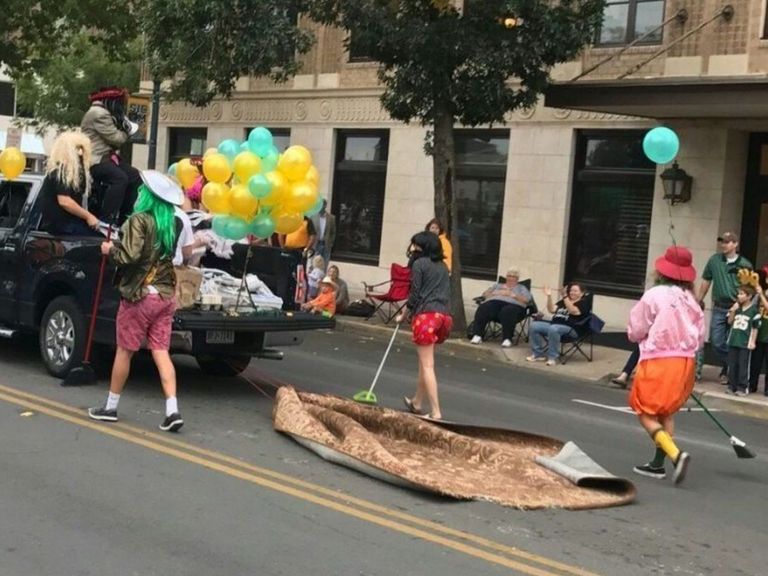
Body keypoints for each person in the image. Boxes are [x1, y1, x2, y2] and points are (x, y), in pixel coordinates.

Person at [88, 170, 185, 432]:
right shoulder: (173, 224)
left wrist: (110, 249)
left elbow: (128, 256)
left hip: (139, 296)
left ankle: (110, 406)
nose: (138, 193)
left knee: (125, 351)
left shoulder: (139, 221)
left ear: (147, 197)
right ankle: (172, 410)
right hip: (165, 296)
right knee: (161, 352)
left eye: (142, 191)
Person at [627, 246, 705, 484]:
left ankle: (675, 454)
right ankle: (657, 464)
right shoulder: (692, 300)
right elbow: (700, 335)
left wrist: (637, 335)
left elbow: (637, 328)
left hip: (659, 358)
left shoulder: (654, 294)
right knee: (666, 412)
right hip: (685, 361)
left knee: (644, 411)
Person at [397, 231, 452, 420]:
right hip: (443, 317)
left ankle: (436, 411)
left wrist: (403, 314)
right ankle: (417, 402)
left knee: (428, 365)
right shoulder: (443, 267)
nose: (413, 248)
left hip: (426, 316)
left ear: (423, 247)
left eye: (416, 245)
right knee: (424, 363)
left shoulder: (420, 264)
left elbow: (415, 293)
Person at [697, 232, 753, 384]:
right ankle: (732, 364)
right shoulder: (714, 260)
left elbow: (749, 288)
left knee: (732, 341)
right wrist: (699, 300)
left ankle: (727, 372)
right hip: (719, 306)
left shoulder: (745, 264)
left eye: (727, 242)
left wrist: (740, 305)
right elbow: (706, 281)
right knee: (716, 341)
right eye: (722, 241)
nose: (723, 244)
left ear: (735, 244)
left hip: (737, 307)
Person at [81, 87, 142, 225]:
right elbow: (116, 139)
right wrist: (127, 131)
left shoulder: (101, 112)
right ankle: (106, 219)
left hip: (106, 158)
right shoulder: (99, 114)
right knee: (120, 179)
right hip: (96, 161)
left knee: (136, 176)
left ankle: (124, 219)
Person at [39, 131, 101, 236]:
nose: (81, 153)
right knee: (98, 239)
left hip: (65, 225)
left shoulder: (66, 173)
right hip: (62, 227)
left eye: (82, 149)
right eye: (78, 148)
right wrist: (89, 216)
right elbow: (65, 201)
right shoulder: (61, 172)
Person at [526, 282, 591, 366]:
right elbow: (551, 309)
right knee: (534, 325)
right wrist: (549, 296)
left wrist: (565, 296)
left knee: (554, 328)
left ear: (582, 293)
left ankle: (552, 358)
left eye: (575, 291)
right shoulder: (563, 301)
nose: (572, 292)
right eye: (571, 290)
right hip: (554, 325)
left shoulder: (583, 303)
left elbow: (573, 311)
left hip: (571, 330)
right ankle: (537, 354)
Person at [469, 268, 532, 348]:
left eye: (513, 276)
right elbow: (485, 294)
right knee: (484, 307)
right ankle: (477, 335)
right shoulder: (497, 286)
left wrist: (513, 295)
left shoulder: (521, 288)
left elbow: (526, 300)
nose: (510, 278)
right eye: (509, 276)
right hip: (495, 304)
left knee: (508, 311)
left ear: (517, 279)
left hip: (514, 307)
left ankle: (507, 339)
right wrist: (496, 293)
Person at [725, 284, 759, 396]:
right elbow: (729, 322)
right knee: (732, 364)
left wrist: (753, 341)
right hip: (733, 340)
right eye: (738, 294)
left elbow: (755, 327)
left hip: (745, 342)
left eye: (741, 294)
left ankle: (742, 387)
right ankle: (731, 386)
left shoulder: (754, 311)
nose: (739, 296)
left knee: (743, 365)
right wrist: (733, 311)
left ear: (749, 296)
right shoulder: (736, 308)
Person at [311, 199, 336, 265]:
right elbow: (310, 232)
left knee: (324, 263)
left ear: (325, 206)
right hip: (316, 244)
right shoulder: (313, 217)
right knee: (314, 264)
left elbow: (333, 232)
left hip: (326, 244)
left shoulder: (331, 218)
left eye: (322, 205)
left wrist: (331, 243)